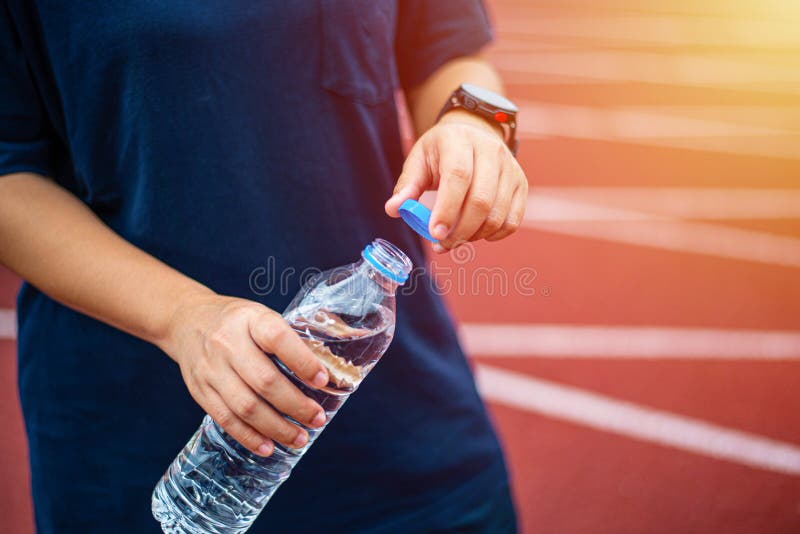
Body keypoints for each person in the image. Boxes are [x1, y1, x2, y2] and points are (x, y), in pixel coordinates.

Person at [0, 1, 528, 532]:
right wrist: (183, 316)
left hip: (411, 440)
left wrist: (474, 124)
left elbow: (448, 51)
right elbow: (9, 177)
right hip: (149, 455)